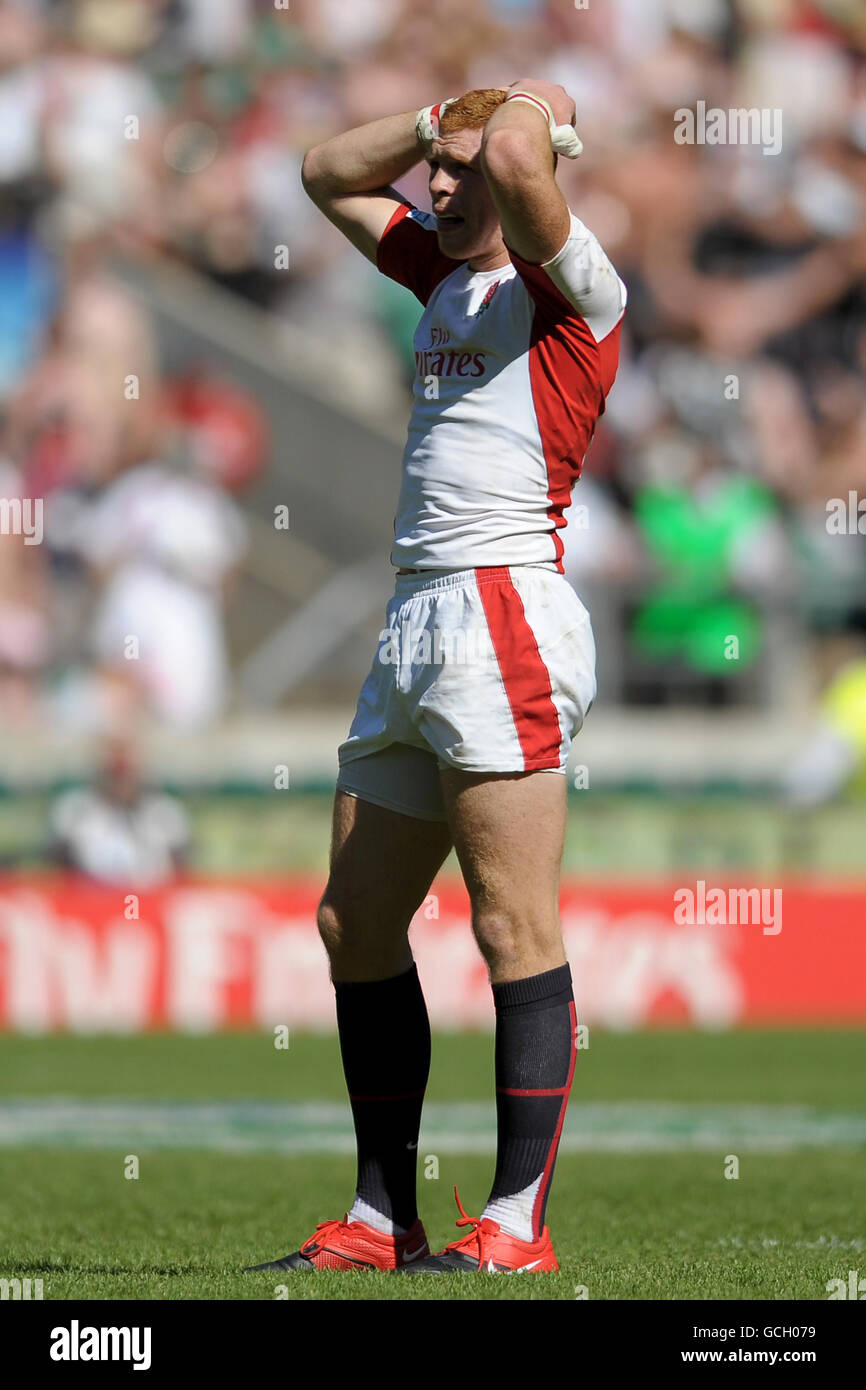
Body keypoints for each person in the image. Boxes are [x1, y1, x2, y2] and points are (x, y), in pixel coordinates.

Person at [247, 80, 626, 1276]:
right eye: (436, 168)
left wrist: (524, 110)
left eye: (461, 168)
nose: (439, 184)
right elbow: (323, 172)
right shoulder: (438, 274)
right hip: (417, 613)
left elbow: (519, 159)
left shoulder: (575, 289)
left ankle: (517, 1224)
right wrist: (428, 121)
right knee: (353, 923)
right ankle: (382, 1218)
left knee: (509, 917)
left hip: (502, 602)